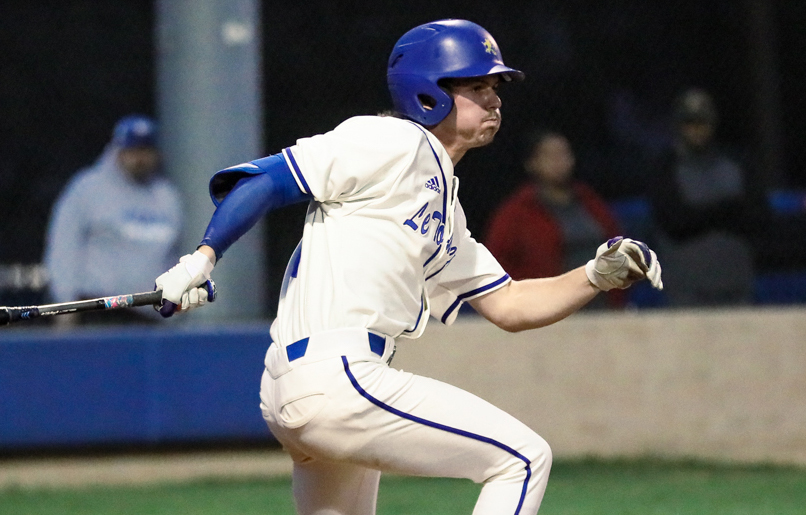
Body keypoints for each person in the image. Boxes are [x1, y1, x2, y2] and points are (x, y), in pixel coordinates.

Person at [153, 20, 662, 515]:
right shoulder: (392, 141)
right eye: (475, 85)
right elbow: (262, 180)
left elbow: (509, 305)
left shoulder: (442, 205)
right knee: (523, 460)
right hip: (339, 377)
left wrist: (595, 276)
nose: (494, 98)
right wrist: (201, 258)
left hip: (307, 387)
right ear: (427, 93)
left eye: (495, 86)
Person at [44, 115, 181, 325]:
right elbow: (64, 248)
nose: (139, 158)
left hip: (147, 316)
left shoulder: (166, 197)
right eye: (132, 151)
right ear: (117, 151)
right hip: (97, 310)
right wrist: (64, 302)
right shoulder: (88, 189)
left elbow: (174, 257)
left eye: (145, 151)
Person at [647, 88, 768, 307]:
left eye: (702, 123)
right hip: (686, 292)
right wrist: (728, 209)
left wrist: (703, 214)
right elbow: (675, 221)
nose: (697, 130)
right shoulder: (665, 168)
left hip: (736, 287)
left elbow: (759, 216)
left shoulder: (736, 163)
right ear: (679, 126)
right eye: (690, 123)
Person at [485, 130, 626, 310]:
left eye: (564, 154)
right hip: (547, 311)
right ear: (532, 163)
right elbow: (497, 264)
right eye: (549, 156)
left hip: (602, 306)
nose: (559, 161)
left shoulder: (590, 202)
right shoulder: (517, 212)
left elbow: (618, 245)